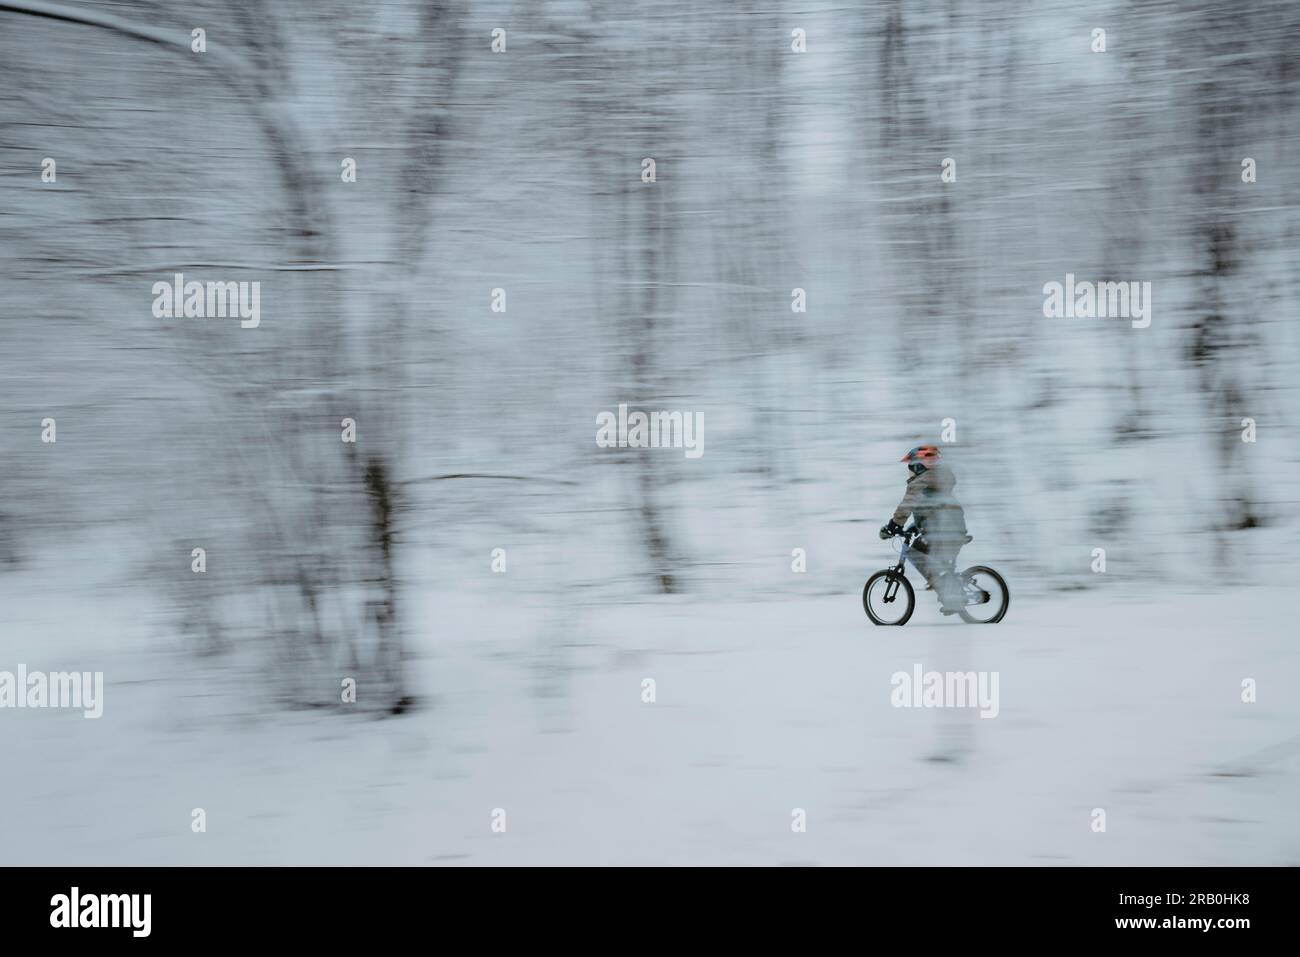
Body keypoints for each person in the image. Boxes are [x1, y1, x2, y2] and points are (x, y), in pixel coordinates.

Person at [879, 445, 969, 615]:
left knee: (915, 555)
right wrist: (916, 525)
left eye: (911, 466)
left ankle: (951, 598)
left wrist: (893, 526)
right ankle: (950, 591)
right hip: (952, 529)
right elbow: (932, 507)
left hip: (942, 532)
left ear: (917, 465)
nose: (910, 471)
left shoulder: (921, 481)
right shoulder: (936, 478)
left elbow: (908, 504)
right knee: (934, 562)